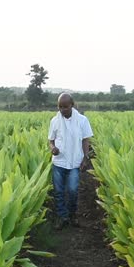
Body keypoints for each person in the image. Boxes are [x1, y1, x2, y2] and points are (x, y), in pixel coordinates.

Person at [48, 93, 93, 229]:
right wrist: (53, 148)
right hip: (59, 162)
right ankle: (62, 217)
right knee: (59, 192)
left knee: (73, 190)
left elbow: (85, 140)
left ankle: (72, 215)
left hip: (74, 161)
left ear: (72, 105)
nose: (62, 110)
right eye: (60, 107)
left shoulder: (82, 120)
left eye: (65, 107)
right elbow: (50, 140)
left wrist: (85, 157)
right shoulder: (54, 121)